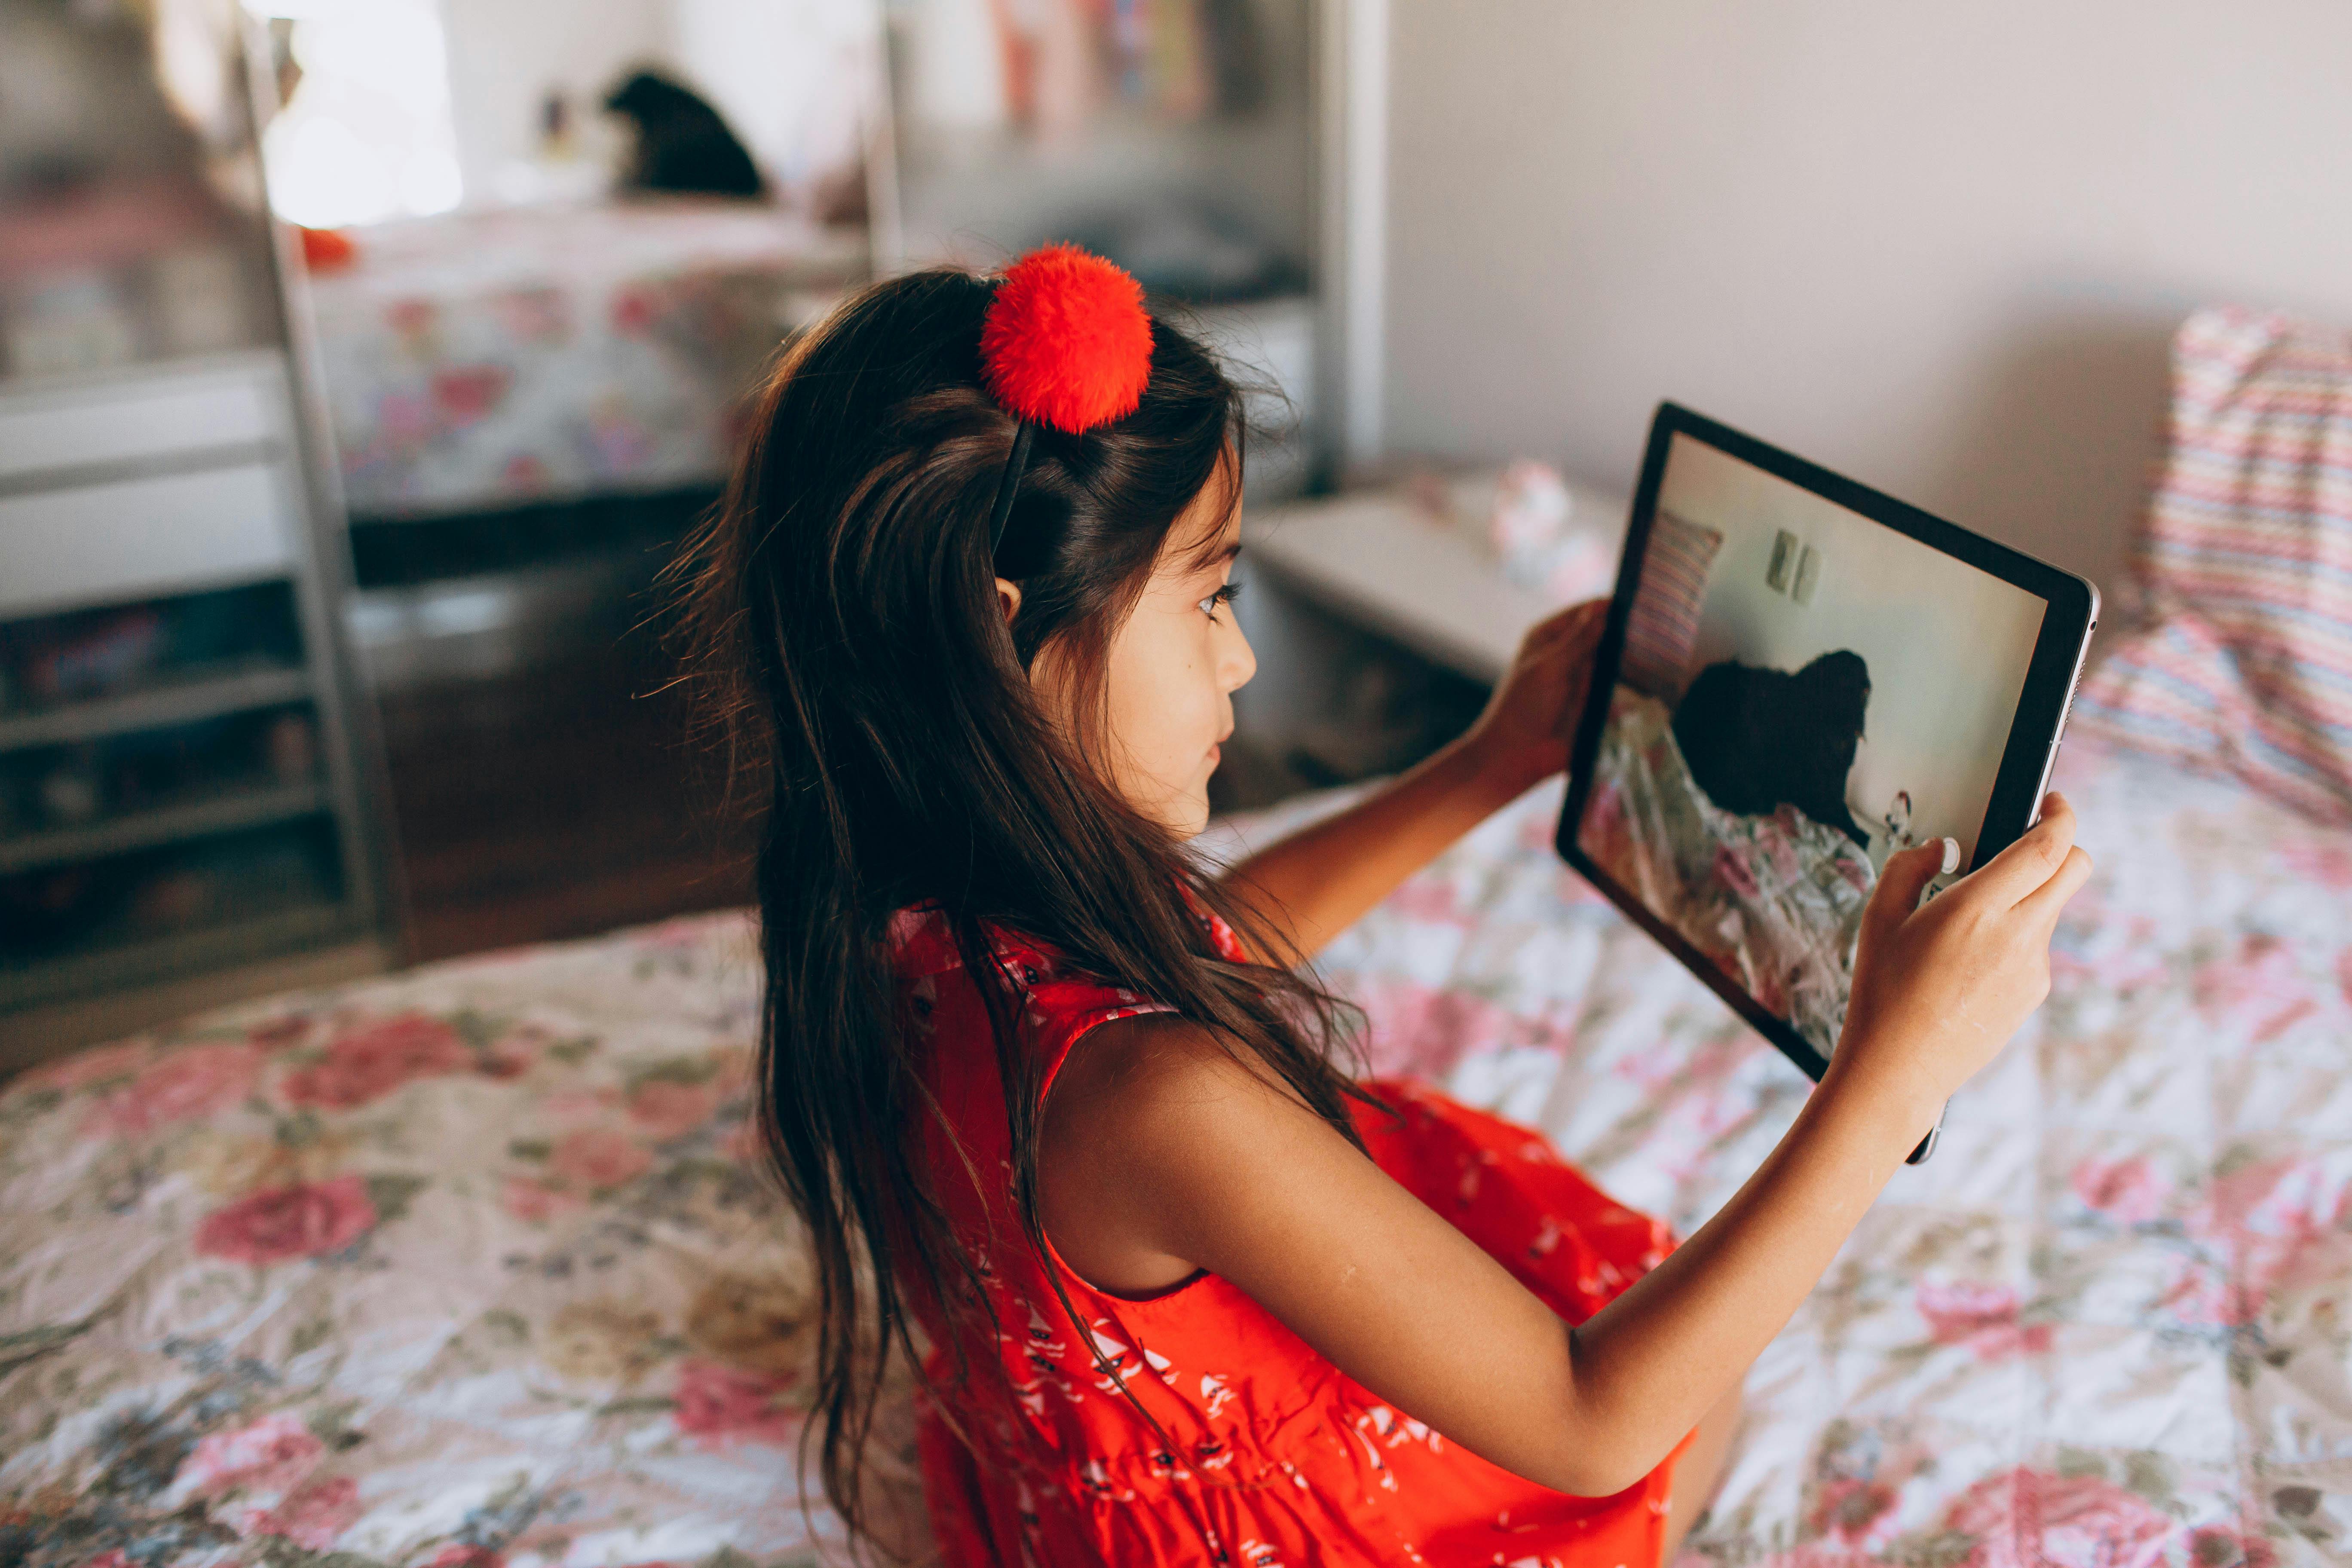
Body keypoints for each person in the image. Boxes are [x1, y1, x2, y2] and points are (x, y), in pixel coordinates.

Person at [671, 246, 2093, 1566]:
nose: (1235, 665)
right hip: (1270, 1524)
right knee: (1694, 1400)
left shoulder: (900, 876)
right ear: (1001, 629)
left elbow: (1210, 940)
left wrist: (1487, 762)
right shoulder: (1155, 1095)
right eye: (1207, 598)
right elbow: (1592, 1418)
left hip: (1059, 1462)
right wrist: (1887, 1071)